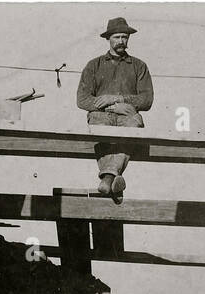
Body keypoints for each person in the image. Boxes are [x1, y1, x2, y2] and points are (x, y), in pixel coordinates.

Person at [76, 16, 153, 197]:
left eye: (124, 37)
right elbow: (82, 99)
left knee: (135, 126)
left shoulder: (139, 66)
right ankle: (112, 177)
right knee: (101, 132)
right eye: (117, 37)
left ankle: (107, 178)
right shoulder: (93, 65)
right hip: (101, 116)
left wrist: (120, 99)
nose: (121, 41)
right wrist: (112, 105)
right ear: (108, 38)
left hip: (128, 116)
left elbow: (147, 99)